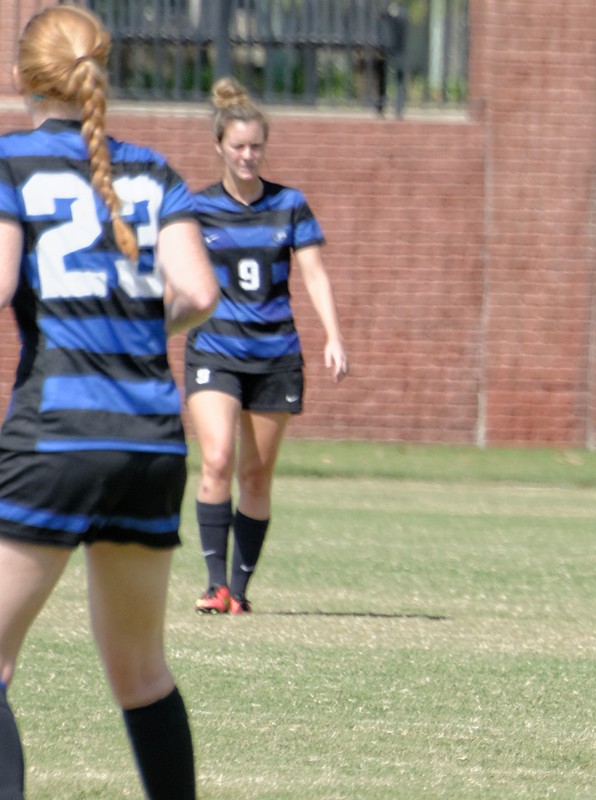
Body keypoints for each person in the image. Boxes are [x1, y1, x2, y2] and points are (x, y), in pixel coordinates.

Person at [0, 6, 220, 798]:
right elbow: (197, 291)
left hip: (57, 434)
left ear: (23, 78)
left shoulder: (10, 163)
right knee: (139, 672)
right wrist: (127, 319)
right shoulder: (154, 172)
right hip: (151, 440)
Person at [186, 77, 350, 616]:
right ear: (220, 147)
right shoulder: (196, 208)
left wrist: (333, 335)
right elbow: (176, 275)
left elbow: (315, 276)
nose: (248, 155)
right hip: (214, 350)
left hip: (275, 356)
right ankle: (214, 585)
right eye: (238, 146)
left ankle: (239, 589)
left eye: (256, 145)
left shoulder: (290, 205)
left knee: (255, 475)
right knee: (215, 458)